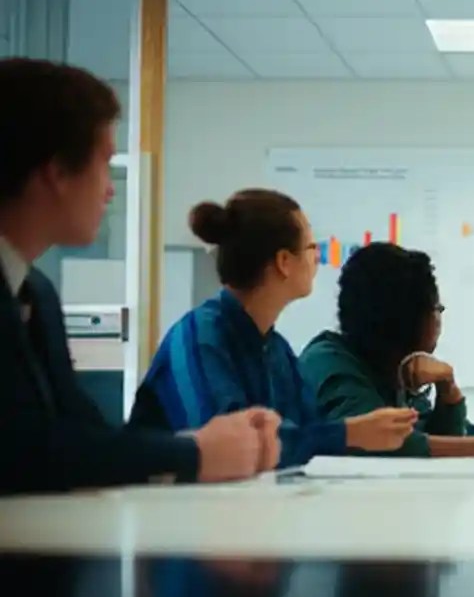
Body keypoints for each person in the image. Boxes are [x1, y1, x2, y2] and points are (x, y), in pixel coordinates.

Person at [0, 57, 276, 492]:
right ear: (56, 173)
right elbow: (27, 452)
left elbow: (84, 438)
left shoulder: (37, 293)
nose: (111, 189)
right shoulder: (205, 332)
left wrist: (202, 447)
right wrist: (195, 452)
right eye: (105, 163)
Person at [129, 189, 415, 467]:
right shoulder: (199, 339)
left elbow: (307, 431)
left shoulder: (276, 348)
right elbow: (233, 447)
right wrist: (348, 433)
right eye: (310, 247)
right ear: (284, 262)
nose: (317, 257)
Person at [298, 243, 474, 458]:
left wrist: (449, 390)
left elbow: (434, 433)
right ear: (408, 317)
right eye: (437, 308)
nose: (439, 318)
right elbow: (387, 444)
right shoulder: (330, 363)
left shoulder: (389, 366)